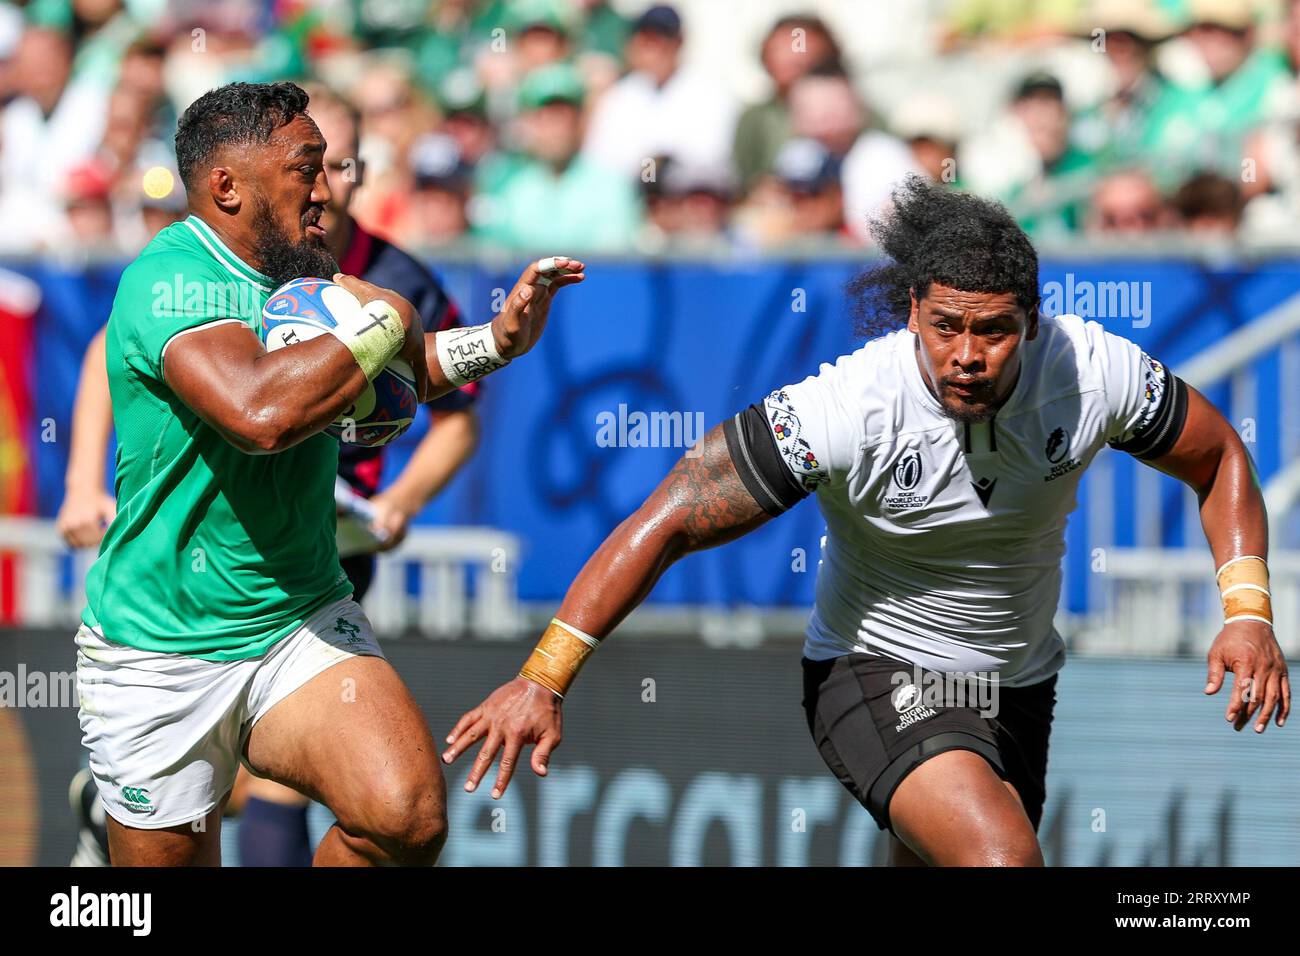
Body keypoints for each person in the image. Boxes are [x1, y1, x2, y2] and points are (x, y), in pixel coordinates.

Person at [445, 177, 1289, 866]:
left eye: (994, 332)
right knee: (1002, 863)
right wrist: (542, 677)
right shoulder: (845, 408)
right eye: (945, 326)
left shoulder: (1094, 369)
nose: (966, 354)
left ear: (1033, 321)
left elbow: (1218, 458)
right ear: (911, 310)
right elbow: (670, 518)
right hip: (876, 672)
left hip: (1020, 685)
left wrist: (1247, 610)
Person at [72, 80, 584, 866]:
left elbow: (408, 365)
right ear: (227, 187)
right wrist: (387, 319)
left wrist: (497, 342)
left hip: (295, 617)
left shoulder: (306, 276)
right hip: (159, 649)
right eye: (308, 168)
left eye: (334, 166)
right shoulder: (169, 281)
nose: (328, 187)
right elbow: (260, 414)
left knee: (404, 817)